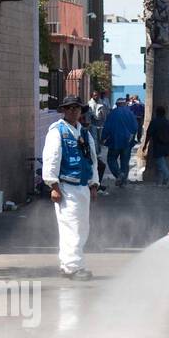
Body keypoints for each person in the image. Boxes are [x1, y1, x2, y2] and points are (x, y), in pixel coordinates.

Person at [42, 95, 99, 281]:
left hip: (82, 187)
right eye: (69, 108)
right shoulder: (57, 132)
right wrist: (54, 186)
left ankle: (70, 263)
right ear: (64, 111)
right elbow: (52, 159)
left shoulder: (84, 133)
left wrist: (94, 184)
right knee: (71, 228)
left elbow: (92, 160)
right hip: (67, 186)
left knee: (82, 228)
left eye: (76, 108)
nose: (73, 111)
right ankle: (72, 267)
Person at [102, 97, 138, 187]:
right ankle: (123, 181)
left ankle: (119, 175)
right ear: (124, 104)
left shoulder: (112, 113)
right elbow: (135, 127)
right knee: (125, 162)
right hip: (127, 142)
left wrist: (103, 137)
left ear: (117, 104)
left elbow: (107, 127)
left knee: (111, 159)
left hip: (115, 141)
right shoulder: (130, 113)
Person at [144, 106, 169, 187]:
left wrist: (145, 145)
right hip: (167, 145)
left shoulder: (154, 122)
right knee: (161, 164)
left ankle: (168, 176)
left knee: (160, 163)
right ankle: (161, 182)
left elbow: (148, 135)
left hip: (158, 145)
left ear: (156, 113)